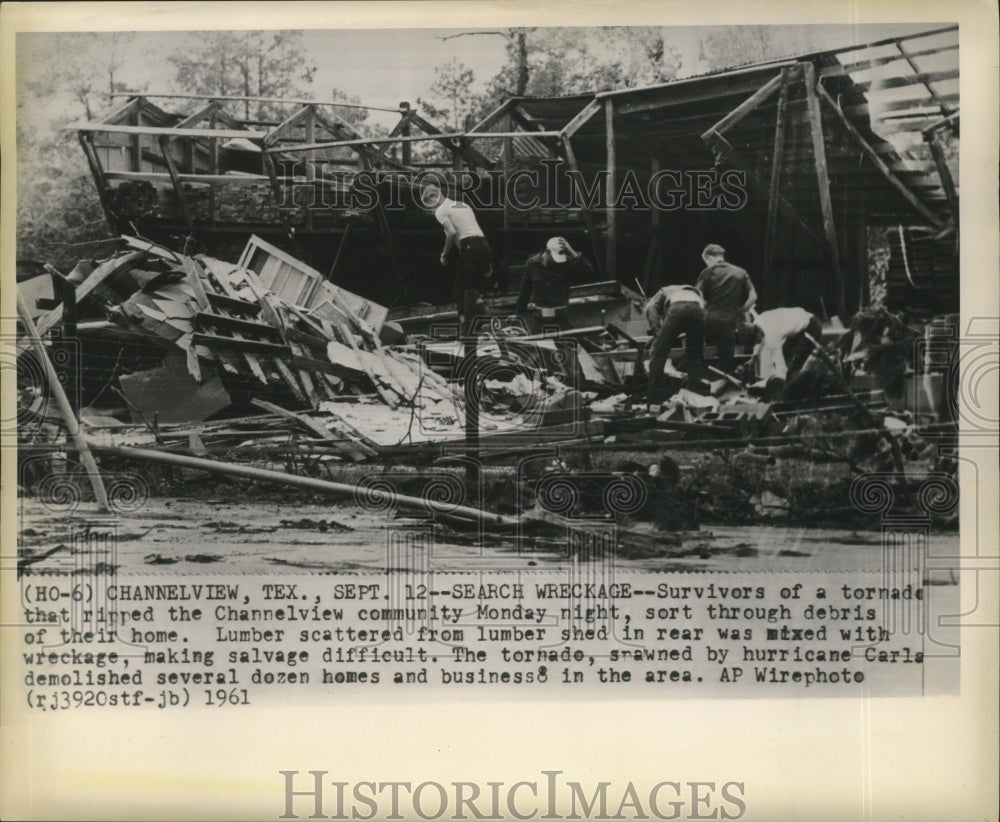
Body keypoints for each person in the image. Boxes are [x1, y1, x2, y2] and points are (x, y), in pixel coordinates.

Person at [422, 182, 493, 336]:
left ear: (432, 198)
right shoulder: (462, 205)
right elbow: (467, 230)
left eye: (429, 206)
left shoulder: (440, 211)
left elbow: (452, 233)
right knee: (473, 287)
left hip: (469, 245)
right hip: (483, 245)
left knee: (460, 291)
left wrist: (444, 254)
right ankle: (485, 324)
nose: (432, 210)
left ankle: (467, 330)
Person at [695, 243, 757, 372]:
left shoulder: (707, 273)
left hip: (710, 321)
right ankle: (724, 380)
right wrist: (741, 311)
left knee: (697, 353)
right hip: (731, 322)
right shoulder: (740, 272)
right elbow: (753, 297)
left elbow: (697, 297)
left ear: (710, 258)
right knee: (726, 361)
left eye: (706, 261)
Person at [643, 282, 706, 405]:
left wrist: (657, 333)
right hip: (698, 309)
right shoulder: (696, 292)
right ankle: (695, 400)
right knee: (695, 358)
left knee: (658, 355)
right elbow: (697, 313)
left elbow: (649, 308)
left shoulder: (664, 289)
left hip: (678, 307)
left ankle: (653, 402)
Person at [515, 237, 592, 333]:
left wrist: (572, 252)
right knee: (537, 345)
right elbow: (525, 292)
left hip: (562, 317)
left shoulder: (566, 263)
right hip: (539, 319)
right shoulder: (532, 264)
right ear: (547, 252)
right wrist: (518, 316)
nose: (556, 261)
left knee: (569, 345)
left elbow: (588, 271)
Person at [753, 306, 823, 382]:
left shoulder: (771, 335)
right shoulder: (757, 322)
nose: (757, 343)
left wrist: (780, 383)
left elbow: (780, 365)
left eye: (756, 341)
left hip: (811, 326)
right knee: (787, 357)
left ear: (758, 334)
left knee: (795, 366)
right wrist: (752, 360)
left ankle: (795, 389)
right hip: (799, 326)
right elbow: (757, 352)